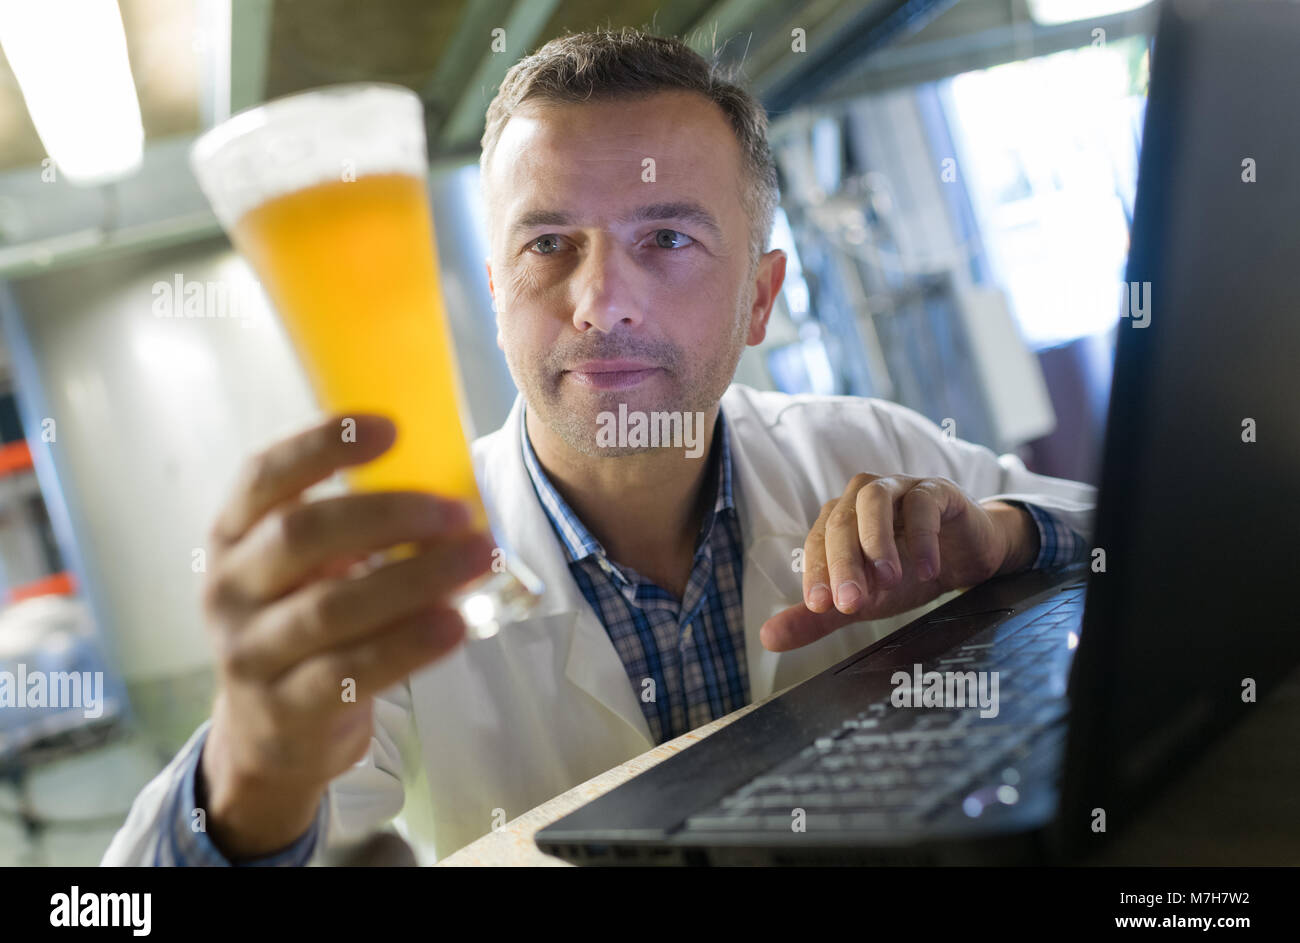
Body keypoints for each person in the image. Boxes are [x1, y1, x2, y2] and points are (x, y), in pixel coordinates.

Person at [102, 27, 1094, 866]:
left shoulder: (860, 444)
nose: (599, 301)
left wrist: (1003, 537)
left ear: (759, 296)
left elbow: (1133, 527)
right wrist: (249, 772)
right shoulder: (401, 581)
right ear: (497, 299)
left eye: (666, 238)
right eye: (547, 243)